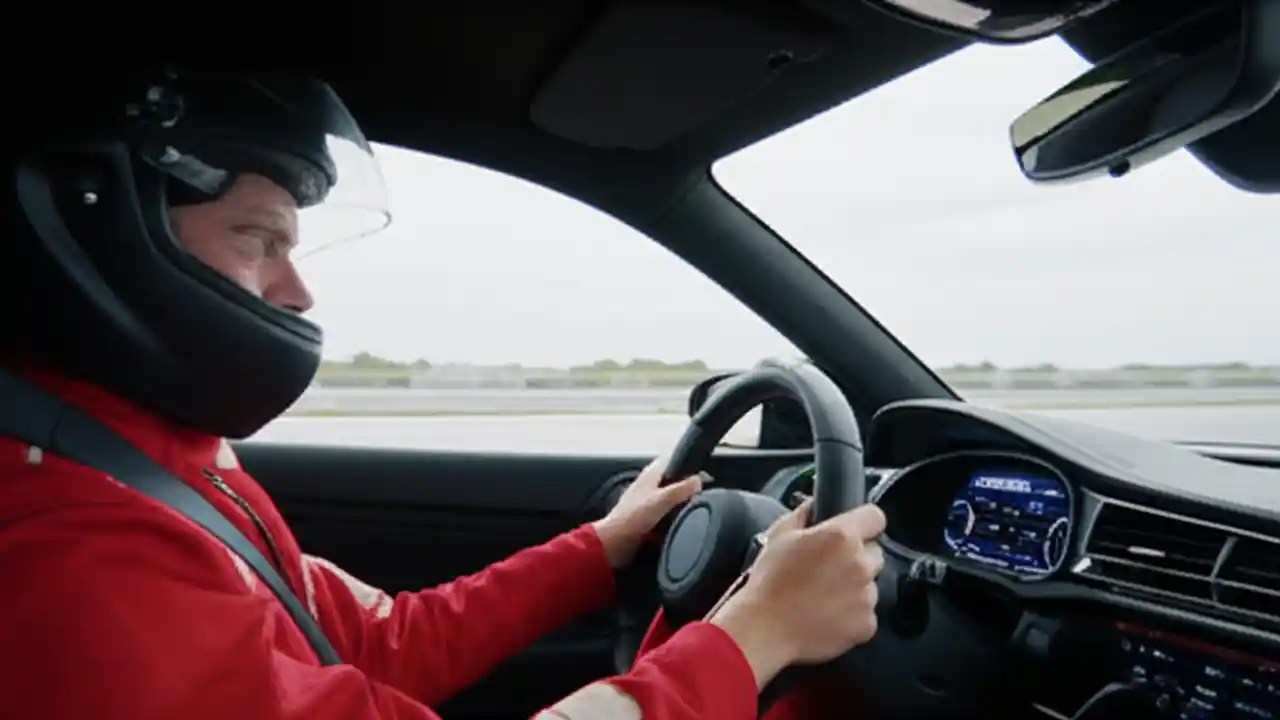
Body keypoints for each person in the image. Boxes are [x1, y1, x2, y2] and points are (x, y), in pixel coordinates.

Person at [0, 65, 887, 720]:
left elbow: (372, 645)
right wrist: (756, 638)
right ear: (109, 231)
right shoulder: (76, 553)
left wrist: (598, 548)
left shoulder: (162, 463)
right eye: (257, 238)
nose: (298, 291)